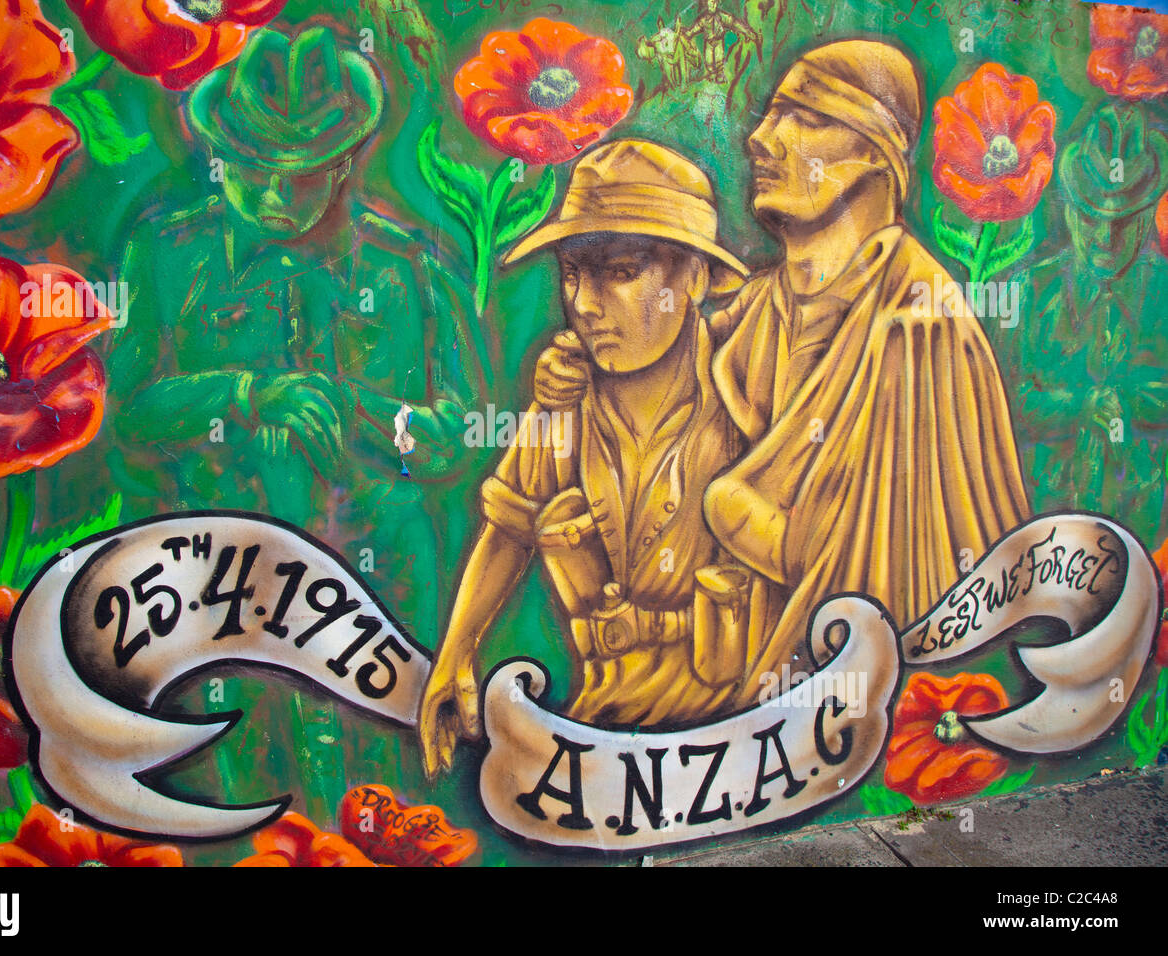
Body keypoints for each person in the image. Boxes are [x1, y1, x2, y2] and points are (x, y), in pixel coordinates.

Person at [535, 40, 1033, 710]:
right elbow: (664, 367)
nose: (762, 139)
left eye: (806, 118)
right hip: (722, 713)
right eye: (772, 115)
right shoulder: (752, 315)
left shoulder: (919, 326)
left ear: (874, 151)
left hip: (844, 712)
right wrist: (572, 378)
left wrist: (751, 520)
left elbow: (913, 576)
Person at [417, 141, 749, 776]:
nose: (586, 304)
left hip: (736, 732)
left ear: (696, 277)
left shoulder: (745, 394)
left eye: (621, 272)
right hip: (602, 731)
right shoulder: (566, 397)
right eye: (572, 274)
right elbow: (509, 524)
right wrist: (455, 653)